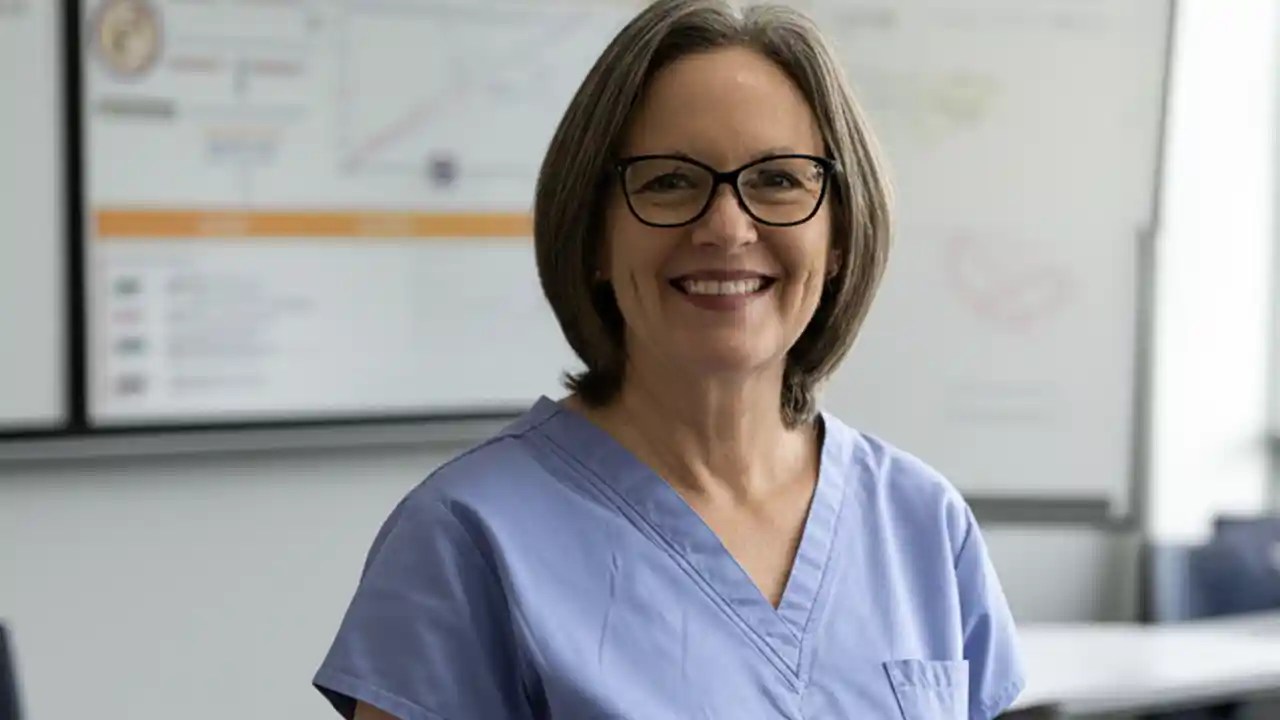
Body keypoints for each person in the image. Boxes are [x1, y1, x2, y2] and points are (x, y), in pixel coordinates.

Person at [313, 1, 1026, 718]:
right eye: (668, 181)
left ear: (840, 234)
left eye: (779, 179)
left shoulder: (923, 525)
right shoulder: (466, 538)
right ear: (594, 236)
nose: (727, 228)